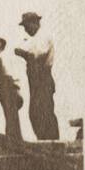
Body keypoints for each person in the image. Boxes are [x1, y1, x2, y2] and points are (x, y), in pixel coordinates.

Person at [14, 11, 59, 141]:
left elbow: (36, 55)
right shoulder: (35, 39)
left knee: (44, 111)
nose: (26, 30)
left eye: (27, 26)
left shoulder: (44, 36)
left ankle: (51, 143)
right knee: (35, 113)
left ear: (34, 23)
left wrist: (22, 53)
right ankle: (44, 141)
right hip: (35, 80)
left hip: (43, 78)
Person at [0, 37, 23, 143]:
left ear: (0, 44)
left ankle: (14, 142)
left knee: (11, 119)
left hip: (9, 90)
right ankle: (14, 141)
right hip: (7, 89)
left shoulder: (4, 57)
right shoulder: (1, 58)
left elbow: (7, 77)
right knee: (10, 118)